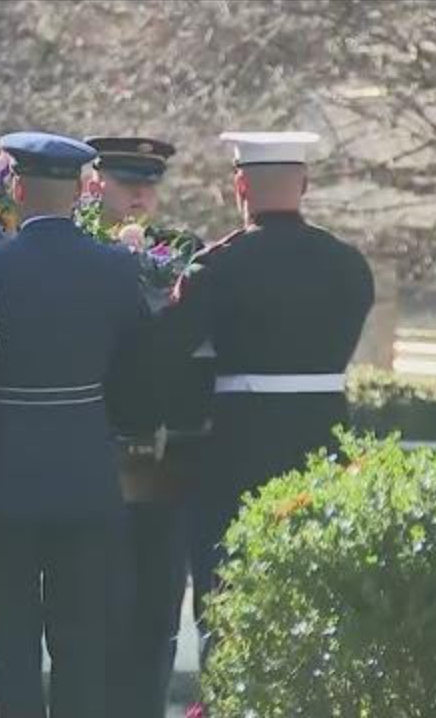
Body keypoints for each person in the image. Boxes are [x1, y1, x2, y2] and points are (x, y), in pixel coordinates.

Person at [0, 132, 156, 718]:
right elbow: (136, 370)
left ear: (17, 190)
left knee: (13, 632)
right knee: (82, 634)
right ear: (79, 192)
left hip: (8, 468)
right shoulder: (115, 268)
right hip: (87, 468)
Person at [153, 131, 374, 669]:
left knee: (226, 595)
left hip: (238, 451)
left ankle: (226, 695)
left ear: (241, 187)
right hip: (325, 445)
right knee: (318, 592)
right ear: (305, 184)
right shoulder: (348, 264)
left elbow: (166, 350)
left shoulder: (218, 267)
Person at [85, 135, 206, 718]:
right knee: (93, 613)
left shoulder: (183, 252)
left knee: (158, 609)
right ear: (95, 184)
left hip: (162, 463)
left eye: (148, 184)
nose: (139, 195)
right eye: (126, 182)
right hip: (91, 455)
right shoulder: (78, 251)